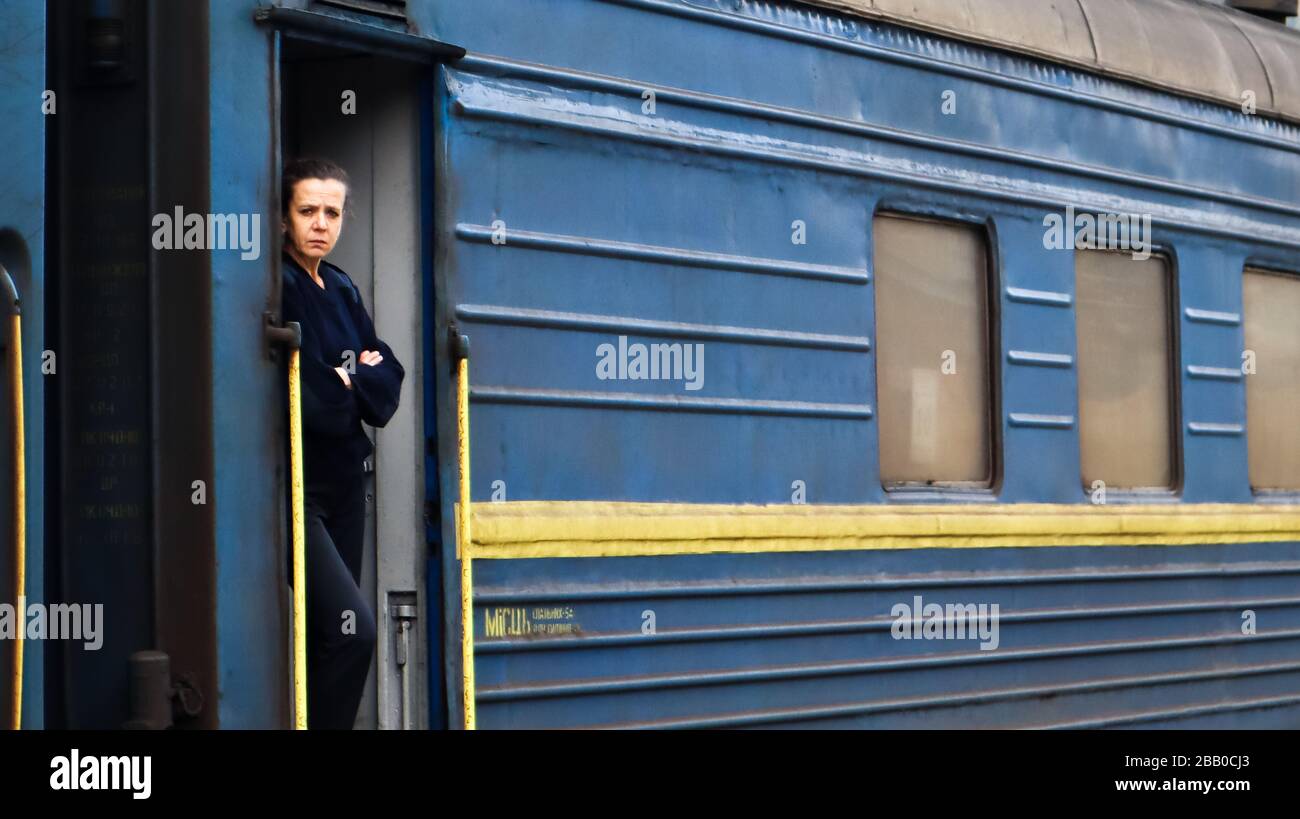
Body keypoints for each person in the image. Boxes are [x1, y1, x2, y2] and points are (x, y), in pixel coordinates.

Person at [280, 157, 404, 729]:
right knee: (355, 629)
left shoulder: (344, 287)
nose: (320, 224)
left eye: (332, 212)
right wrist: (355, 377)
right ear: (284, 217)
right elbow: (309, 404)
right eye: (307, 210)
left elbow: (388, 387)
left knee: (330, 634)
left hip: (346, 485)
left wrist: (346, 379)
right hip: (297, 488)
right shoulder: (279, 285)